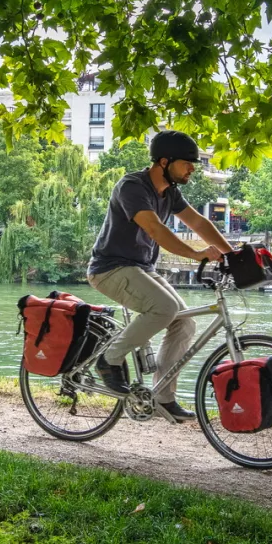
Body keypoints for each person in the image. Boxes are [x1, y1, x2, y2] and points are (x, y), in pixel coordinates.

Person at [86, 130, 235, 422]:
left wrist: (232, 255)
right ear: (164, 162)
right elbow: (155, 229)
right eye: (187, 162)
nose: (194, 167)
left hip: (142, 268)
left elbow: (197, 221)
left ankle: (162, 398)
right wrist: (196, 254)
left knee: (184, 321)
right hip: (110, 268)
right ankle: (109, 360)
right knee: (165, 309)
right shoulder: (132, 186)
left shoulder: (170, 192)